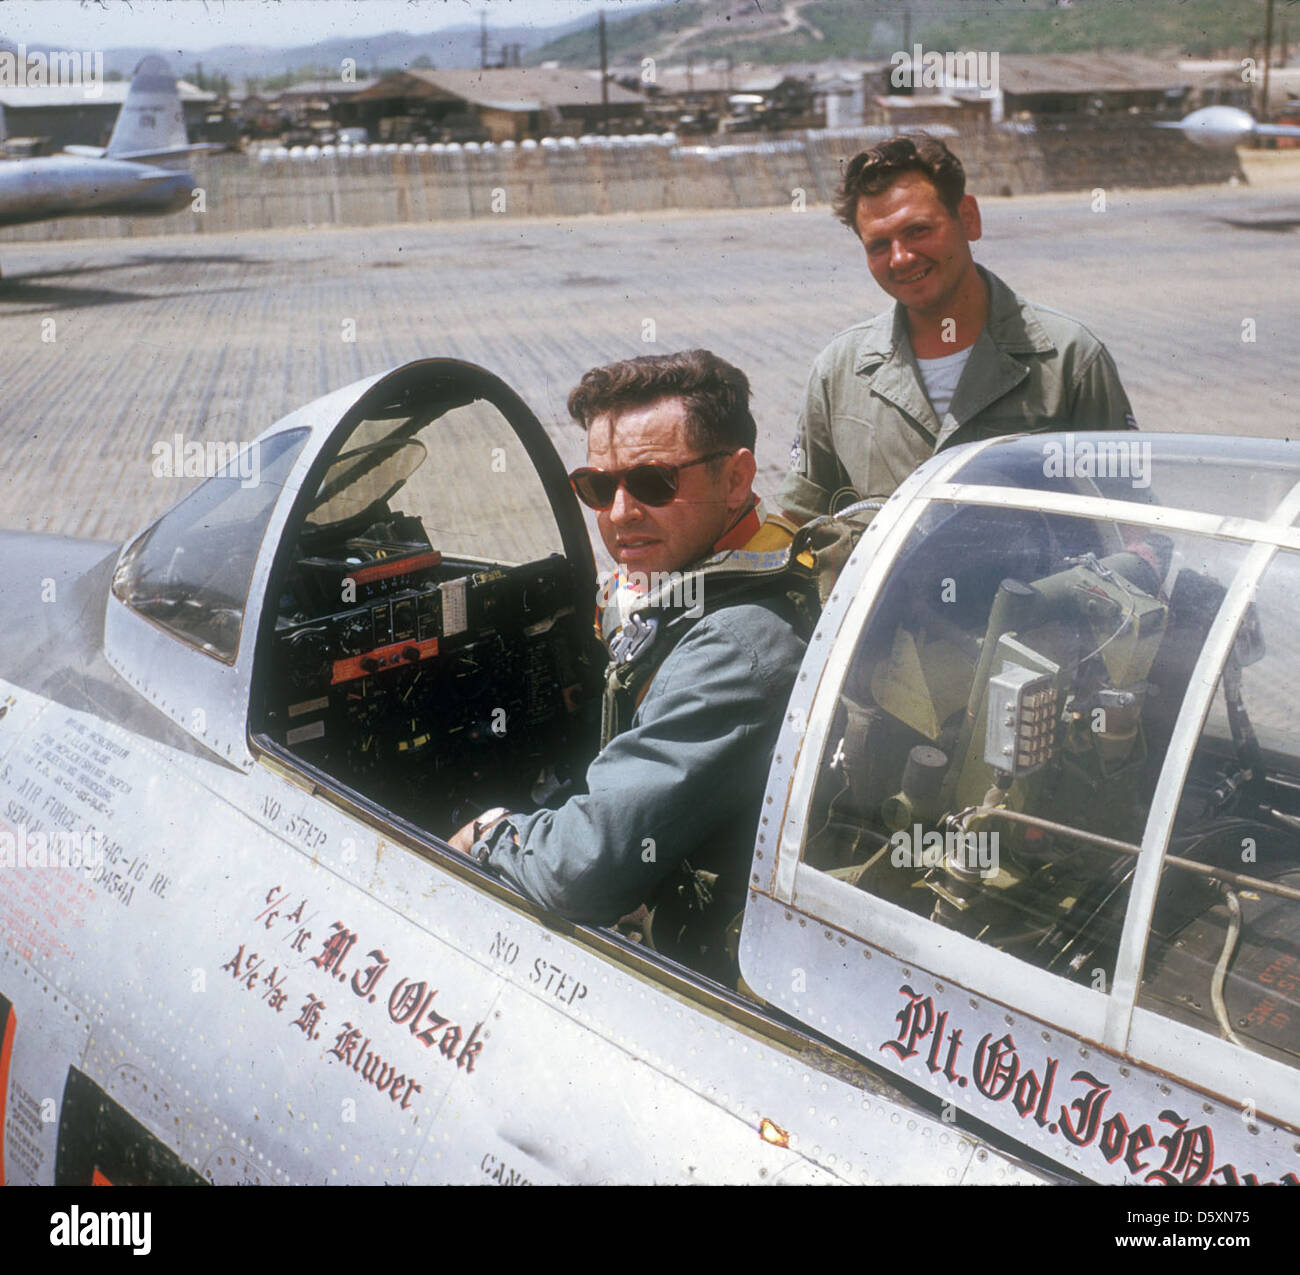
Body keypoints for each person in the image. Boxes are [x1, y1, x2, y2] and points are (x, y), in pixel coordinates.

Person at [449, 350, 809, 969]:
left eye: (653, 483)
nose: (619, 516)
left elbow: (579, 870)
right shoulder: (737, 559)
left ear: (735, 478)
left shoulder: (736, 644)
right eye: (597, 486)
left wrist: (491, 834)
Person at [777, 134, 1137, 525]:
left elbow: (1135, 515)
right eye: (878, 245)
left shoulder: (1069, 359)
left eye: (918, 231)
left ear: (968, 218)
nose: (900, 258)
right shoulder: (840, 372)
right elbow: (802, 518)